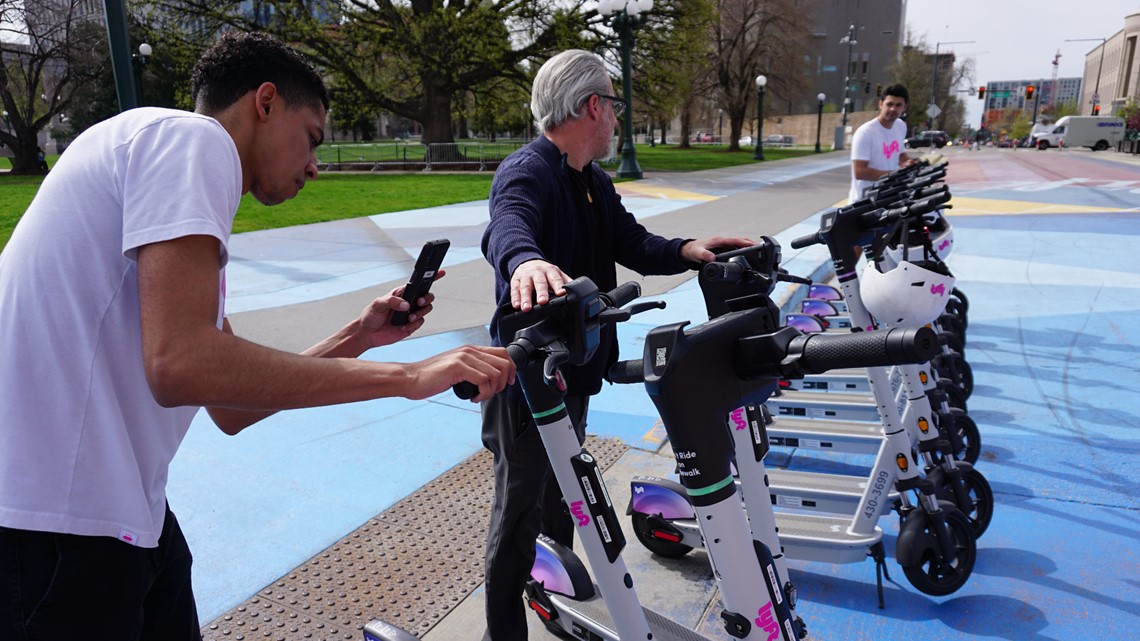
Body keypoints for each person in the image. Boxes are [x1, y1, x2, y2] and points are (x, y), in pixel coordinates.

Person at [0, 32, 514, 641]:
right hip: (57, 531)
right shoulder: (190, 140)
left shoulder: (162, 173)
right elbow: (181, 364)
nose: (315, 166)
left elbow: (230, 407)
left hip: (116, 516)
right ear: (264, 102)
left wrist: (359, 335)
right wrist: (410, 377)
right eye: (312, 139)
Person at [478, 49, 754, 641]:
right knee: (517, 514)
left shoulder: (593, 181)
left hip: (571, 372)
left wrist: (688, 249)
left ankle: (557, 601)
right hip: (528, 382)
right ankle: (502, 634)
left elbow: (633, 241)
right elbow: (507, 225)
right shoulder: (527, 171)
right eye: (614, 106)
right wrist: (524, 261)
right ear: (592, 107)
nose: (617, 120)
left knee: (564, 499)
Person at [849, 83, 915, 203]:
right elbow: (859, 172)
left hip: (888, 197)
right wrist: (894, 175)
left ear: (905, 107)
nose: (893, 109)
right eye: (889, 104)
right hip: (864, 202)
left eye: (898, 105)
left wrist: (909, 162)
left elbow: (899, 153)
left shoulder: (900, 126)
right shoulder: (865, 132)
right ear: (880, 104)